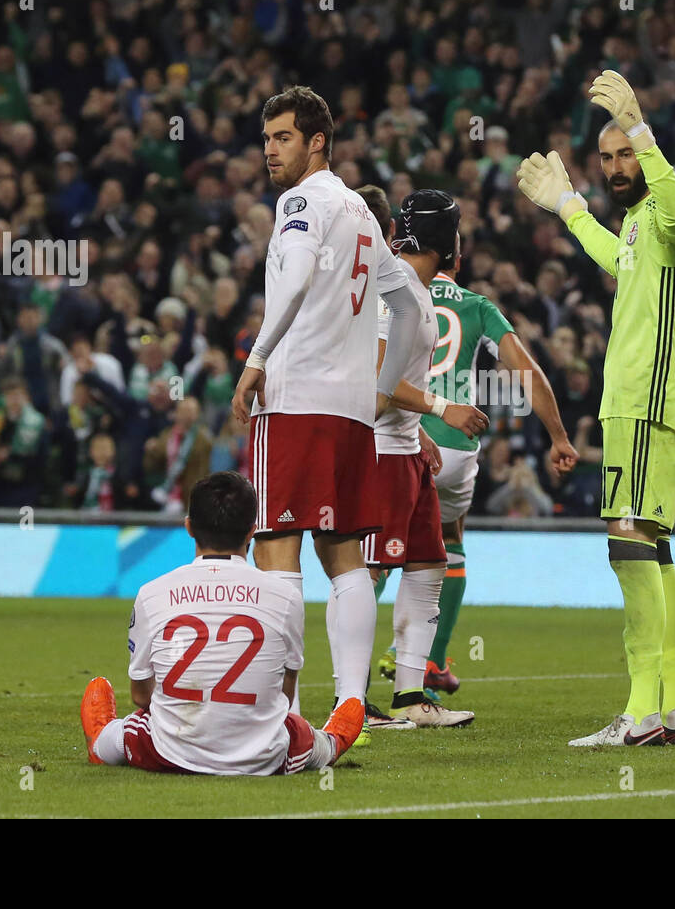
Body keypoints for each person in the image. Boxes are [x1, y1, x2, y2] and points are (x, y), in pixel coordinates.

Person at [229, 87, 485, 730]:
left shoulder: (300, 202)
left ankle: (281, 711)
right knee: (345, 558)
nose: (270, 151)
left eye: (282, 138)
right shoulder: (366, 218)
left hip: (293, 402)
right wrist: (380, 390)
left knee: (277, 548)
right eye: (266, 140)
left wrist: (257, 358)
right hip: (352, 417)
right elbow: (412, 313)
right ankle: (348, 705)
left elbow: (291, 280)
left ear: (317, 141)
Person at [518, 69, 675, 747]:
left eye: (626, 152)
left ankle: (641, 710)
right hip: (643, 406)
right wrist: (568, 204)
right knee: (652, 547)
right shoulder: (633, 227)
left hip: (646, 404)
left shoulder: (671, 214)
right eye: (609, 156)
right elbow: (613, 258)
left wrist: (644, 127)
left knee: (625, 540)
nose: (618, 165)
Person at [371, 189, 578, 702]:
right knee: (448, 539)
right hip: (455, 443)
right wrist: (558, 437)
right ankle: (430, 661)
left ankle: (355, 683)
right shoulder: (478, 306)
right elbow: (527, 373)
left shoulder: (388, 291)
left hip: (393, 431)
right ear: (456, 257)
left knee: (376, 549)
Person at [79, 471, 364, 775]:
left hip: (172, 751)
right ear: (252, 531)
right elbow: (284, 694)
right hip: (261, 753)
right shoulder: (286, 596)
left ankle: (101, 739)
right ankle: (332, 741)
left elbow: (141, 695)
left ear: (188, 527)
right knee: (297, 732)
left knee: (135, 726)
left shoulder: (151, 593)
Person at [359, 188, 475, 727]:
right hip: (379, 453)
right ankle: (351, 699)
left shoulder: (414, 287)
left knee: (428, 563)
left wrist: (420, 433)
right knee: (367, 571)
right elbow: (376, 382)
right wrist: (440, 408)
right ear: (449, 241)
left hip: (405, 447)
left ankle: (409, 697)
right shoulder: (400, 290)